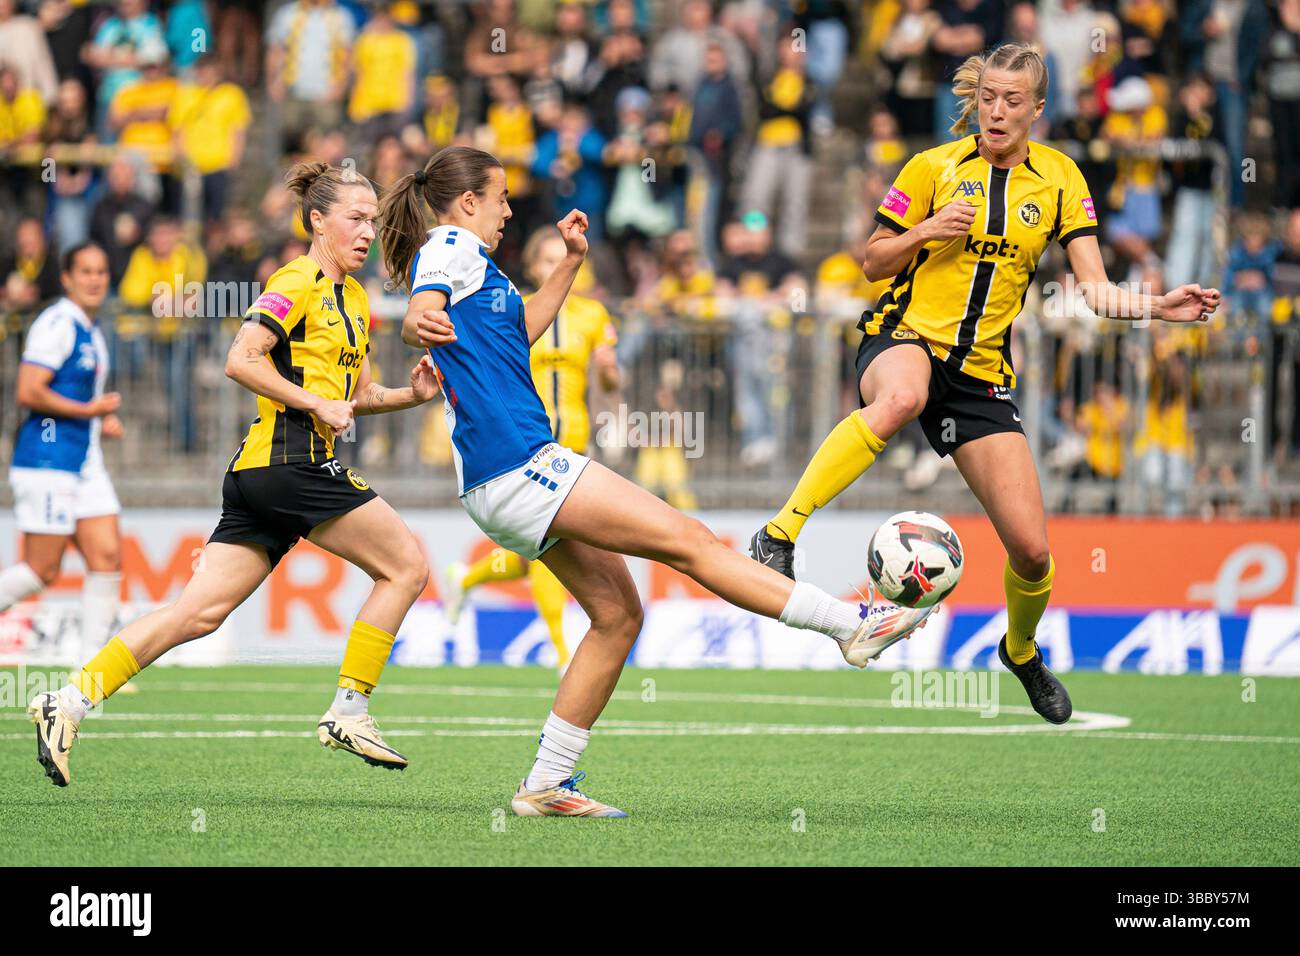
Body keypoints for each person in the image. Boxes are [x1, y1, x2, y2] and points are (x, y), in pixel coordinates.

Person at [378, 145, 932, 818]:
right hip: (520, 464)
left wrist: (573, 264)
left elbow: (517, 330)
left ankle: (545, 785)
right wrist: (416, 320)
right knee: (690, 540)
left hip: (502, 479)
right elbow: (420, 307)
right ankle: (850, 623)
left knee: (617, 617)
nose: (507, 210)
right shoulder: (452, 245)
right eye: (499, 198)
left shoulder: (474, 263)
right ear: (468, 203)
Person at [749, 42, 1221, 725]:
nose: (996, 112)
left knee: (1032, 552)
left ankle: (1021, 652)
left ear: (1036, 108)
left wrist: (1157, 306)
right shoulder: (933, 168)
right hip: (903, 336)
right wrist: (927, 231)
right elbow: (873, 259)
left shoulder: (1061, 179)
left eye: (1011, 101)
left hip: (980, 377)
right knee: (903, 397)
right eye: (987, 98)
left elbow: (1093, 290)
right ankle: (780, 534)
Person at [28, 163, 440, 788]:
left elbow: (349, 395)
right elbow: (240, 358)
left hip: (262, 475)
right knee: (406, 565)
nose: (366, 232)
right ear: (317, 222)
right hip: (291, 462)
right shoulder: (294, 280)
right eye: (355, 219)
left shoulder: (355, 299)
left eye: (373, 221)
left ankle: (70, 699)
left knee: (197, 614)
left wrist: (409, 396)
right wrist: (313, 406)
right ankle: (350, 709)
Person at [444, 225, 621, 671]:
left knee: (536, 553)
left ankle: (466, 578)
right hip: (529, 442)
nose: (553, 267)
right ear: (531, 266)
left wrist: (607, 371)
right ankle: (564, 654)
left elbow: (611, 381)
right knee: (548, 544)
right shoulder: (513, 308)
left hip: (575, 441)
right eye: (545, 259)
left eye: (560, 259)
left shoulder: (594, 315)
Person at [0, 243, 124, 674]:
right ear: (67, 278)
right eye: (85, 272)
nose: (94, 279)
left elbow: (80, 399)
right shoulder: (57, 323)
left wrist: (98, 423)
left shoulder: (91, 330)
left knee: (107, 557)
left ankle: (89, 670)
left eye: (101, 271)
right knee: (42, 569)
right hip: (48, 462)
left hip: (84, 462)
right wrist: (89, 412)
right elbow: (29, 390)